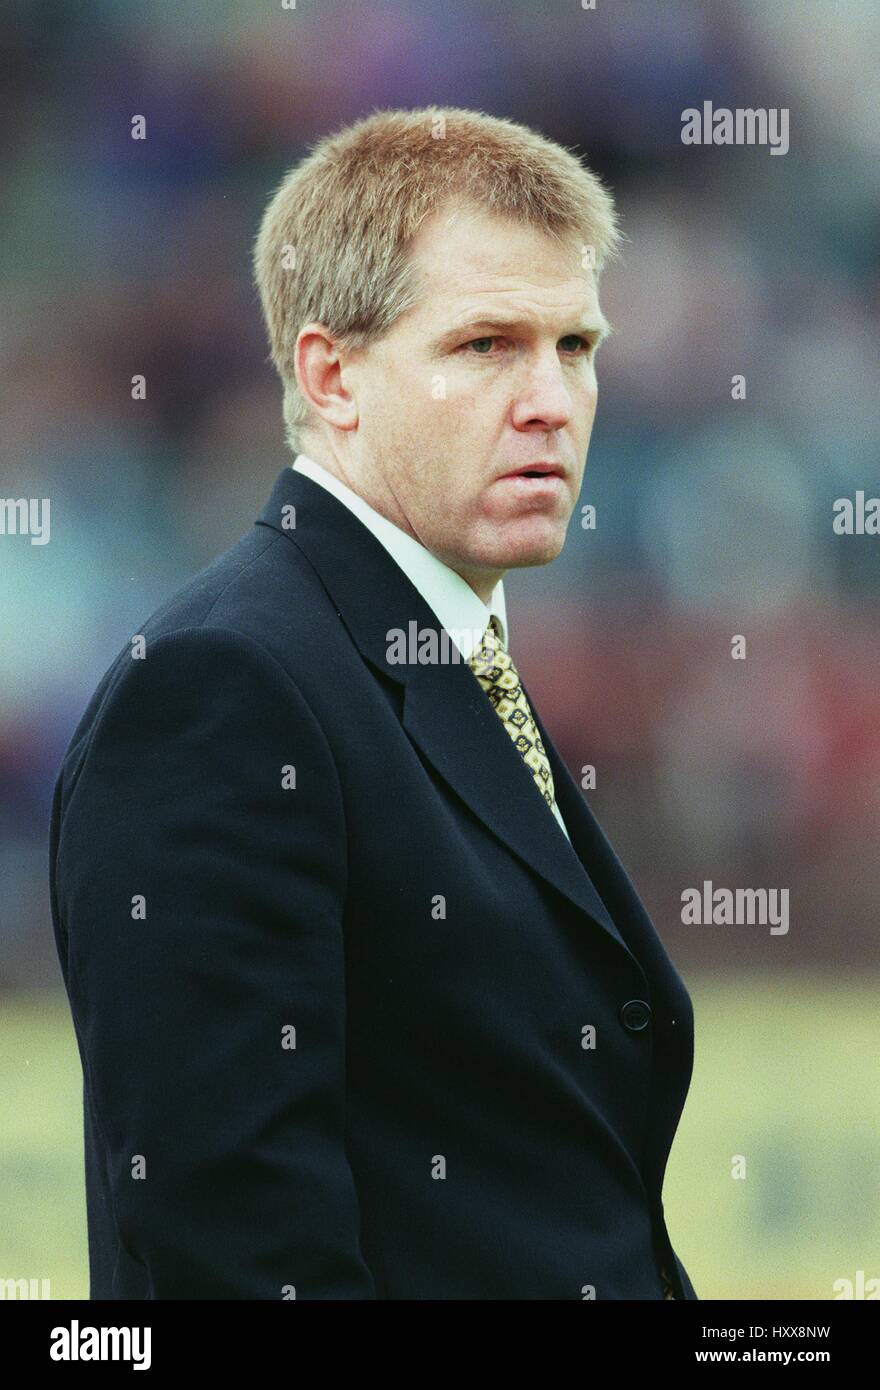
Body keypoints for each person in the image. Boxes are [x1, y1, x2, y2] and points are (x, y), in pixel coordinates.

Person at [49, 105, 697, 1299]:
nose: (552, 398)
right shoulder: (224, 688)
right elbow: (234, 1244)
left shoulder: (426, 645)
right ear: (330, 375)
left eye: (576, 344)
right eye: (487, 345)